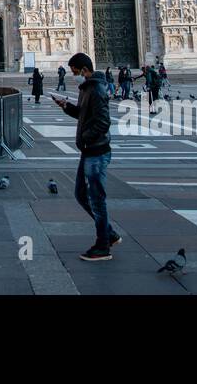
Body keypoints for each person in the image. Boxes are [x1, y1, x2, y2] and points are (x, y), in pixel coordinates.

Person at [51, 53, 120, 261]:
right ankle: (109, 233)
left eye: (74, 72)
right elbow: (83, 114)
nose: (73, 76)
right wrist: (67, 106)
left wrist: (87, 138)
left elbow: (103, 122)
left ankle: (103, 246)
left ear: (83, 70)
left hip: (96, 151)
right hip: (89, 150)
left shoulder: (97, 89)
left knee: (97, 199)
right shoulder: (86, 88)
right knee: (81, 194)